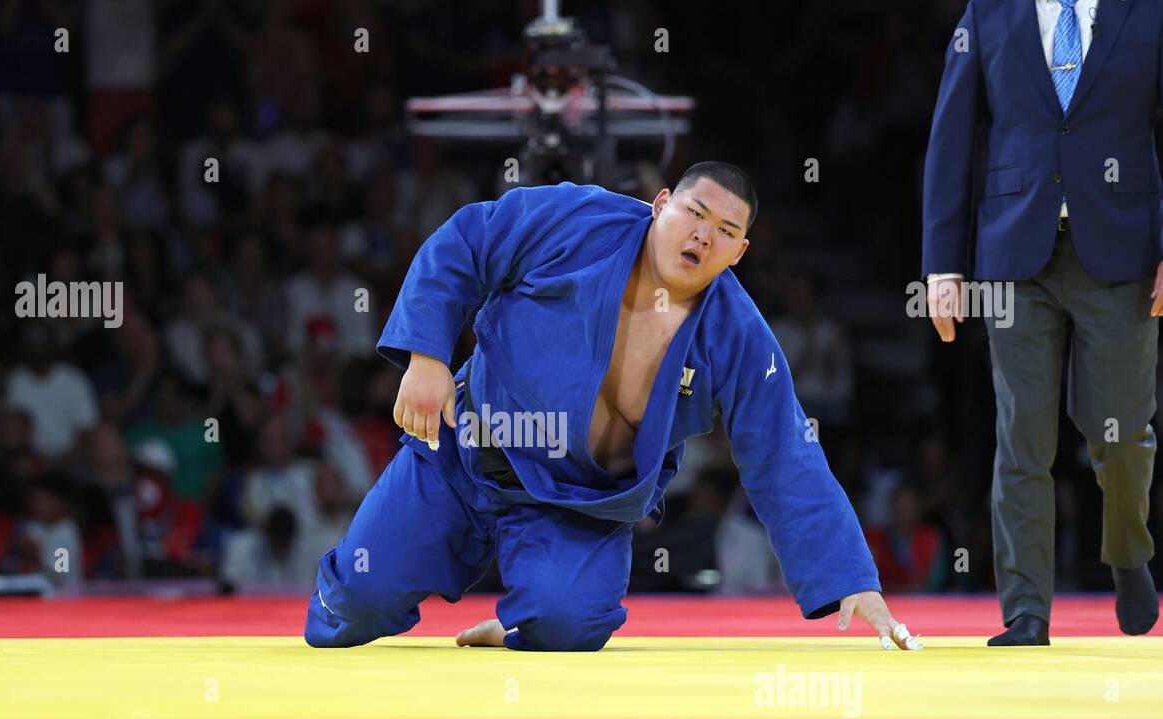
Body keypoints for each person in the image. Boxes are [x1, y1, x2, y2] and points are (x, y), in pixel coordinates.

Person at [305, 163, 911, 651]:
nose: (703, 235)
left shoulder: (738, 334)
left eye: (726, 231)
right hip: (462, 455)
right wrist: (426, 357)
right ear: (662, 203)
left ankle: (521, 626)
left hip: (577, 506)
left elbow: (783, 450)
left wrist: (849, 576)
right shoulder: (578, 222)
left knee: (566, 626)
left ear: (740, 252)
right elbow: (466, 240)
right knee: (352, 606)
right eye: (695, 213)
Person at [922, 0, 1163, 644]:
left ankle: (1128, 551)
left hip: (1123, 250)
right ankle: (1026, 608)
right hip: (1012, 254)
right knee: (1021, 434)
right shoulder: (988, 12)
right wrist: (943, 265)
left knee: (1120, 433)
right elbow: (951, 133)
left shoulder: (1149, 13)